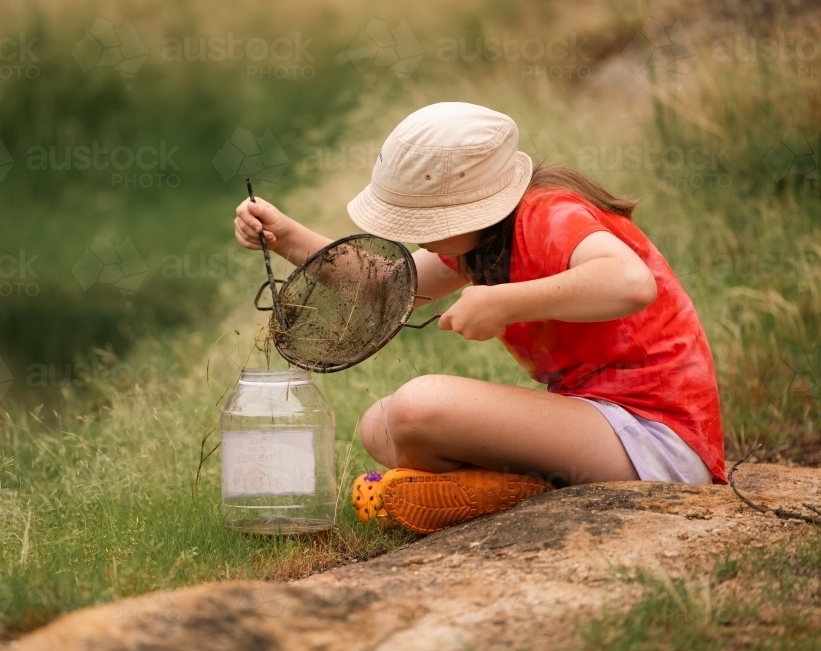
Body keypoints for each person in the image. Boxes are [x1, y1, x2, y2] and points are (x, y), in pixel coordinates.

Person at [233, 102, 726, 534]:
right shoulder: (482, 241)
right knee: (380, 426)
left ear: (472, 209)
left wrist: (505, 302)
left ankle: (512, 489)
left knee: (419, 405)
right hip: (595, 424)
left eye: (424, 223)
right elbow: (383, 286)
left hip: (657, 440)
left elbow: (630, 283)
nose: (418, 239)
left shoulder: (551, 215)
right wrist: (287, 237)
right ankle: (505, 488)